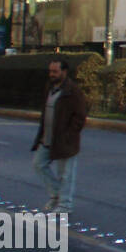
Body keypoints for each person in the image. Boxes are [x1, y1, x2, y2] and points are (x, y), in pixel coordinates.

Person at [31, 57, 88, 214]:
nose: (52, 74)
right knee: (38, 164)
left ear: (64, 72)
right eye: (50, 71)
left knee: (66, 174)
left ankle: (65, 204)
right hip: (47, 138)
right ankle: (56, 194)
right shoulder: (49, 88)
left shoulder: (73, 91)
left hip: (65, 140)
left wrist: (69, 134)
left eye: (55, 71)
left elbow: (80, 116)